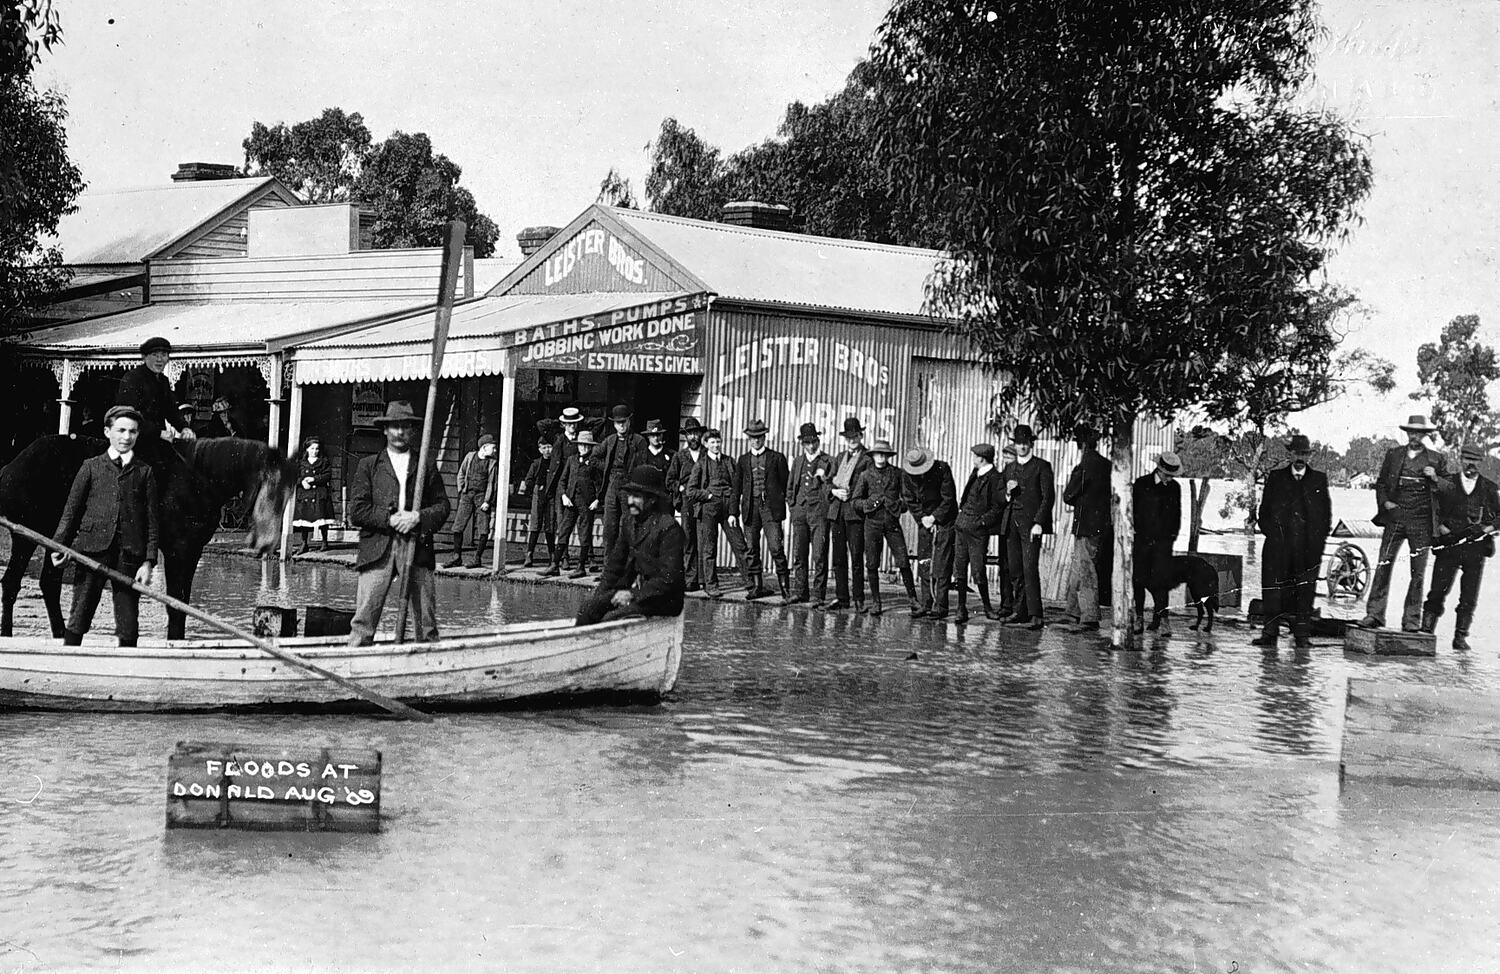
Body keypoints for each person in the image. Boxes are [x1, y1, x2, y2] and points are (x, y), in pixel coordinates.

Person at [50, 405, 160, 648]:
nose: (126, 437)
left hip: (129, 556)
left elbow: (152, 523)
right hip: (91, 551)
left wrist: (148, 562)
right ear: (107, 431)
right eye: (120, 430)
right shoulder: (91, 467)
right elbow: (71, 513)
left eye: (132, 431)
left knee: (128, 622)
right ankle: (68, 662)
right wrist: (58, 546)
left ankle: (125, 670)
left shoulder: (144, 472)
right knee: (80, 613)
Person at [346, 401, 451, 646]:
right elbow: (357, 511)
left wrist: (418, 517)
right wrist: (390, 519)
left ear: (413, 431)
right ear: (385, 430)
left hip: (416, 544)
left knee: (426, 620)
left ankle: (427, 665)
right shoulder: (369, 466)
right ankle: (355, 660)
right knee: (364, 616)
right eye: (395, 427)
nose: (400, 432)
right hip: (378, 547)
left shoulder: (424, 465)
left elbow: (443, 506)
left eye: (405, 427)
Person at [1356, 415, 1448, 632]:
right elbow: (1380, 484)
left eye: (1419, 433)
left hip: (1422, 522)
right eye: (1411, 432)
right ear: (1407, 434)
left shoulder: (1437, 459)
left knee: (1417, 572)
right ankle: (1374, 615)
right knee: (1383, 564)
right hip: (1395, 518)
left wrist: (1435, 477)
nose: (1415, 436)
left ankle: (1411, 620)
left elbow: (1449, 489)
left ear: (1425, 435)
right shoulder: (1394, 455)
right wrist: (1385, 502)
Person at [574, 466, 687, 626]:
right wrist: (599, 597)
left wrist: (632, 594)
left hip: (664, 599)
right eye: (629, 496)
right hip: (638, 593)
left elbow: (669, 578)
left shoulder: (669, 528)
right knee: (588, 610)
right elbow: (615, 565)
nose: (630, 501)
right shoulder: (628, 521)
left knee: (610, 619)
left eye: (637, 497)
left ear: (652, 500)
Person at [1252, 434, 1332, 650]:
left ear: (1309, 456)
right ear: (1290, 454)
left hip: (1307, 551)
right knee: (1272, 590)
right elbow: (1264, 512)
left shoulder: (1318, 479)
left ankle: (1302, 636)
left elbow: (1326, 517)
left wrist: (1317, 546)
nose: (1300, 458)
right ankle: (1270, 633)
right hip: (1278, 548)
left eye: (1304, 454)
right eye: (1297, 453)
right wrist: (1273, 536)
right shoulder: (1276, 478)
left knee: (1305, 593)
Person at [1421, 444, 1500, 649]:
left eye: (1475, 461)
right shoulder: (1448, 483)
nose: (1470, 465)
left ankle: (1460, 637)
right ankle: (1426, 633)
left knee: (1469, 595)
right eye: (1467, 459)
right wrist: (1439, 528)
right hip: (1448, 547)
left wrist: (1487, 528)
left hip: (1476, 549)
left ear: (1481, 463)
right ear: (1460, 459)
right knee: (1437, 590)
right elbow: (1432, 508)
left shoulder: (1489, 488)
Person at [851, 439, 919, 616]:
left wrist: (896, 506)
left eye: (884, 454)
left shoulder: (897, 474)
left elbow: (908, 499)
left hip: (891, 523)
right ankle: (876, 602)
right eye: (878, 453)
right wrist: (869, 503)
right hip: (872, 523)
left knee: (903, 560)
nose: (881, 457)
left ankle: (914, 600)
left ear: (888, 456)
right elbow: (855, 501)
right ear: (872, 455)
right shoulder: (865, 475)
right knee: (872, 563)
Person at [687, 428, 756, 599]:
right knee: (709, 548)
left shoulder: (729, 462)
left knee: (740, 545)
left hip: (728, 510)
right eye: (712, 442)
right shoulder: (701, 464)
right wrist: (708, 495)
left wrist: (733, 511)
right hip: (709, 509)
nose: (716, 445)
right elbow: (691, 490)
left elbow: (736, 487)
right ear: (706, 444)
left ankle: (751, 584)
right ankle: (711, 586)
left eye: (718, 442)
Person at [998, 424, 1055, 629]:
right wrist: (1006, 491)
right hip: (1011, 524)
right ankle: (1019, 611)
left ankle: (1035, 615)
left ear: (1031, 443)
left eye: (1025, 443)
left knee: (1029, 568)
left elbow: (1048, 497)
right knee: (1015, 569)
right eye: (1019, 443)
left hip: (1031, 526)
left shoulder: (1042, 466)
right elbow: (999, 497)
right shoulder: (1009, 468)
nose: (1022, 447)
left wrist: (1039, 522)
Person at [1059, 425, 1111, 633]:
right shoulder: (1107, 465)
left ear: (1080, 444)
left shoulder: (1084, 466)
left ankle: (1089, 616)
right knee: (1079, 567)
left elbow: (1068, 495)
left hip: (1085, 526)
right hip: (1101, 525)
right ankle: (1072, 611)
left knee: (1085, 568)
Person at [114, 337, 194, 461]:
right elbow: (129, 415)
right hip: (134, 443)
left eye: (164, 355)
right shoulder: (132, 378)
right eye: (154, 355)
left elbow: (171, 410)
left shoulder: (163, 381)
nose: (159, 359)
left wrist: (184, 427)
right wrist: (158, 433)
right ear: (145, 357)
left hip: (158, 444)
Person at [737, 418, 790, 601]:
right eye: (752, 437)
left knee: (776, 547)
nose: (756, 440)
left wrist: (785, 505)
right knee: (751, 548)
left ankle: (785, 588)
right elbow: (737, 488)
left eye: (759, 437)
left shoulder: (777, 458)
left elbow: (786, 484)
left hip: (770, 509)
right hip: (750, 508)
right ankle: (757, 587)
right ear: (748, 439)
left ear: (765, 437)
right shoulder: (743, 460)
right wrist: (731, 513)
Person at [953, 443, 1006, 625]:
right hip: (962, 526)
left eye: (975, 456)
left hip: (977, 531)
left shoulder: (995, 478)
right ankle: (961, 608)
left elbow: (998, 507)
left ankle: (987, 608)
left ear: (982, 458)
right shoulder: (976, 473)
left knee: (978, 570)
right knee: (960, 569)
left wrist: (981, 523)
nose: (973, 459)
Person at [902, 445, 957, 619]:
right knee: (924, 561)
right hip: (924, 522)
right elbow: (910, 500)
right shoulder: (907, 476)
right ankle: (926, 603)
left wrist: (934, 518)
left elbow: (949, 499)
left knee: (941, 563)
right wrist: (923, 519)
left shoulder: (942, 469)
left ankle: (940, 605)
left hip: (944, 520)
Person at [825, 417, 872, 612]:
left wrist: (851, 494)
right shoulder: (839, 457)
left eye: (855, 436)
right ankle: (842, 597)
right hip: (837, 512)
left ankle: (859, 598)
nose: (852, 440)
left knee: (856, 557)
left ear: (861, 435)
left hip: (855, 514)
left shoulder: (868, 459)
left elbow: (869, 485)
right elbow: (828, 482)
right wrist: (834, 492)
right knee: (838, 558)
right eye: (849, 436)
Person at [1132, 451, 1182, 633]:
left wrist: (1171, 538)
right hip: (1142, 542)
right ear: (1159, 470)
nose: (1169, 479)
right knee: (1138, 581)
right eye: (1167, 475)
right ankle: (1138, 617)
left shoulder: (1175, 488)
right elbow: (1133, 511)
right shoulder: (1141, 484)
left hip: (1163, 544)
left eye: (1172, 476)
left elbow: (1177, 515)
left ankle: (1162, 620)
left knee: (1162, 583)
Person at [786, 423, 834, 606]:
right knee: (799, 553)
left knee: (819, 554)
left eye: (814, 441)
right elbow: (790, 487)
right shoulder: (798, 462)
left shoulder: (827, 461)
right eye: (807, 442)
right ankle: (800, 592)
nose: (811, 446)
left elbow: (830, 485)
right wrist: (793, 506)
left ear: (818, 441)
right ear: (802, 444)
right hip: (800, 511)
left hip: (819, 513)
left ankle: (818, 595)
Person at [598, 404, 649, 557]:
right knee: (609, 528)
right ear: (613, 424)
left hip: (631, 487)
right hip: (612, 484)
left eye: (624, 422)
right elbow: (594, 457)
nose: (621, 425)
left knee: (630, 526)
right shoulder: (609, 441)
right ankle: (609, 569)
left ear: (629, 421)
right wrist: (606, 467)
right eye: (618, 423)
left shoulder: (639, 441)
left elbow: (643, 467)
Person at [554, 429, 603, 579]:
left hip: (587, 503)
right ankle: (554, 565)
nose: (584, 448)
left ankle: (581, 566)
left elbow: (601, 483)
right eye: (581, 445)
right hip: (570, 502)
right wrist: (563, 495)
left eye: (587, 445)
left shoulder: (594, 462)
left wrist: (597, 500)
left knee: (584, 533)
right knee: (563, 530)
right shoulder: (572, 460)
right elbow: (562, 480)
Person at [444, 433, 498, 569]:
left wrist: (487, 501)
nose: (495, 450)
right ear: (485, 447)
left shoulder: (492, 463)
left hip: (482, 498)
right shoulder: (470, 457)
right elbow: (461, 473)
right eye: (493, 447)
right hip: (467, 495)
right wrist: (462, 489)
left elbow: (493, 484)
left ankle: (477, 558)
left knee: (483, 529)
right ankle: (457, 557)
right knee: (458, 526)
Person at [667, 417, 708, 591]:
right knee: (689, 539)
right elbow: (670, 480)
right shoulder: (680, 456)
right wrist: (681, 488)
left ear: (700, 435)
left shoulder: (707, 454)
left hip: (705, 501)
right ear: (686, 436)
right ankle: (690, 579)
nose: (693, 437)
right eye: (689, 434)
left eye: (695, 433)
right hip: (687, 502)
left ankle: (706, 580)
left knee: (705, 539)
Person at [543, 406, 585, 572]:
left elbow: (599, 423)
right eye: (569, 424)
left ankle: (587, 559)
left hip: (577, 487)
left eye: (574, 423)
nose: (572, 426)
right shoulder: (558, 439)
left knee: (582, 524)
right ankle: (564, 559)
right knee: (563, 524)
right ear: (564, 425)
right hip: (561, 487)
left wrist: (580, 419)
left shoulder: (581, 439)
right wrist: (559, 421)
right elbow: (541, 425)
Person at [290, 436, 335, 554]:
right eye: (312, 449)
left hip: (319, 493)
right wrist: (302, 482)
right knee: (305, 519)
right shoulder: (301, 463)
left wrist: (314, 479)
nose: (314, 451)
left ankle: (324, 542)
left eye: (316, 449)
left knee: (321, 518)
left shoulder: (324, 462)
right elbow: (294, 477)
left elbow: (327, 475)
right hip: (305, 494)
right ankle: (304, 543)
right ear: (307, 450)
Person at [518, 436, 557, 569]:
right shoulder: (536, 464)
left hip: (551, 496)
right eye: (544, 447)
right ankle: (529, 554)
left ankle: (552, 556)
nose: (547, 450)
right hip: (538, 495)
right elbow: (528, 480)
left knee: (550, 526)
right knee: (535, 525)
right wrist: (535, 489)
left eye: (549, 447)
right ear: (540, 449)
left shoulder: (556, 463)